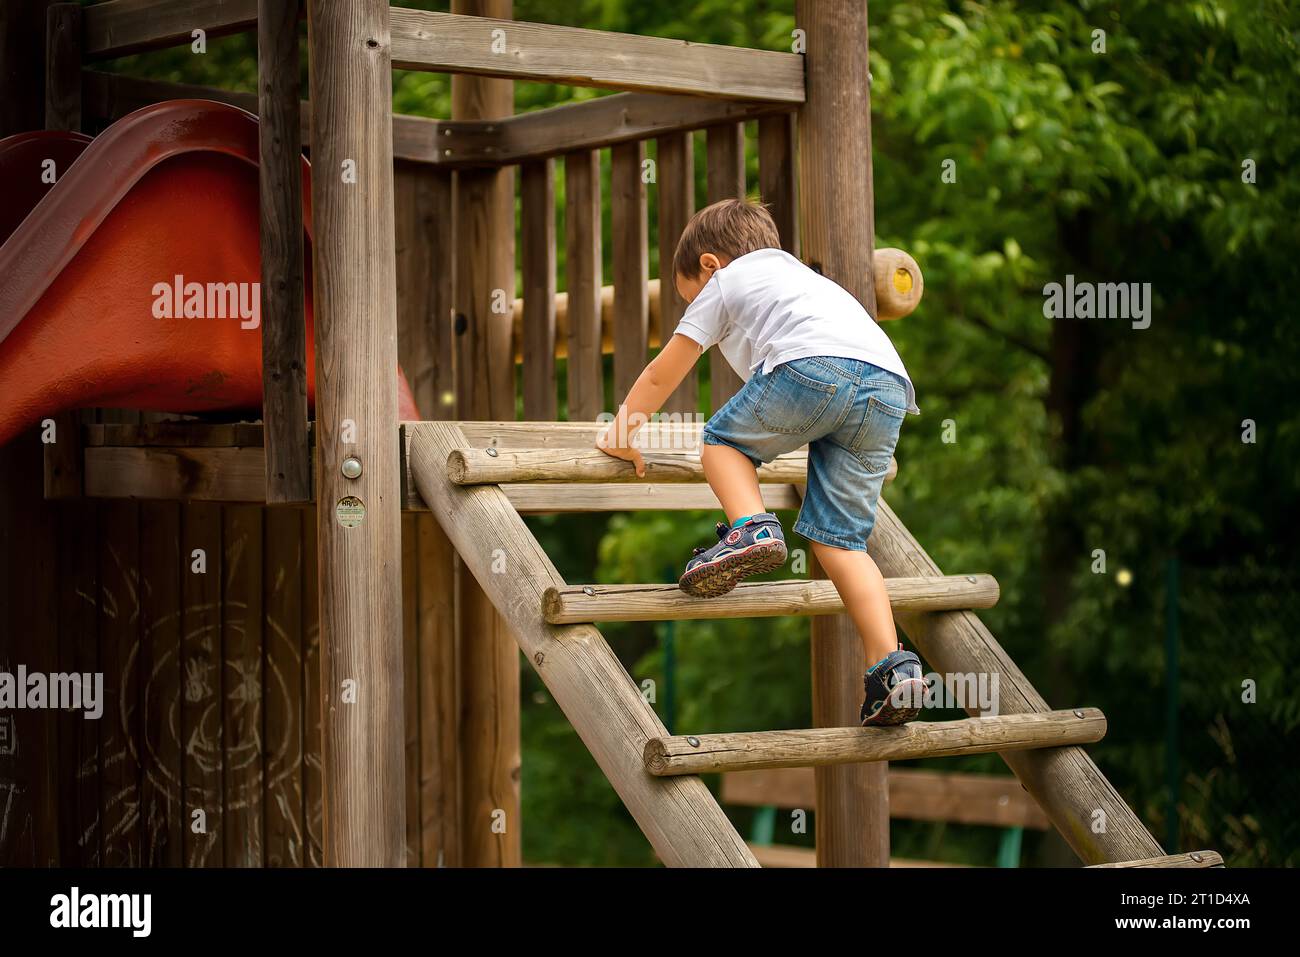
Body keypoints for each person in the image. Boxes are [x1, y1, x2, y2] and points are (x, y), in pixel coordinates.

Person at [595, 198, 928, 725]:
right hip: (887, 389)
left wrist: (622, 430)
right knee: (841, 541)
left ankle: (750, 529)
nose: (698, 306)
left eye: (692, 297)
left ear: (710, 264)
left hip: (812, 370)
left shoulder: (726, 281)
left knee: (723, 443)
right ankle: (894, 668)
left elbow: (666, 371)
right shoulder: (806, 280)